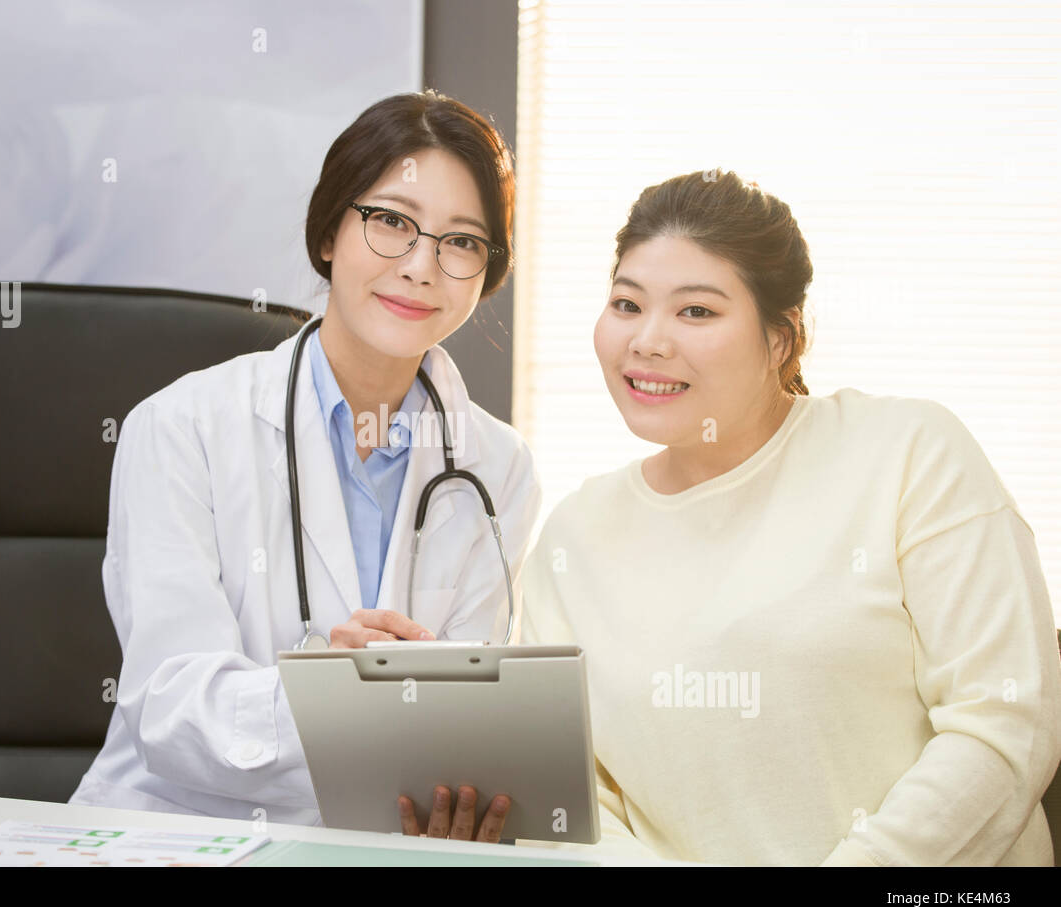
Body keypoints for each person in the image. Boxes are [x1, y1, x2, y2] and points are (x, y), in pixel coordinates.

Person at [517, 169, 1061, 865]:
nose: (647, 340)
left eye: (697, 312)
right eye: (627, 304)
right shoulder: (574, 537)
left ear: (782, 338)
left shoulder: (909, 455)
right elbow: (580, 797)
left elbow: (1005, 722)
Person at [68, 92, 540, 840]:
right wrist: (330, 692)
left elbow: (452, 725)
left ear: (487, 272)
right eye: (391, 221)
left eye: (462, 241)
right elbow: (170, 707)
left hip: (377, 845)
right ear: (329, 233)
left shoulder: (499, 468)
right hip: (174, 835)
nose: (422, 267)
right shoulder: (179, 427)